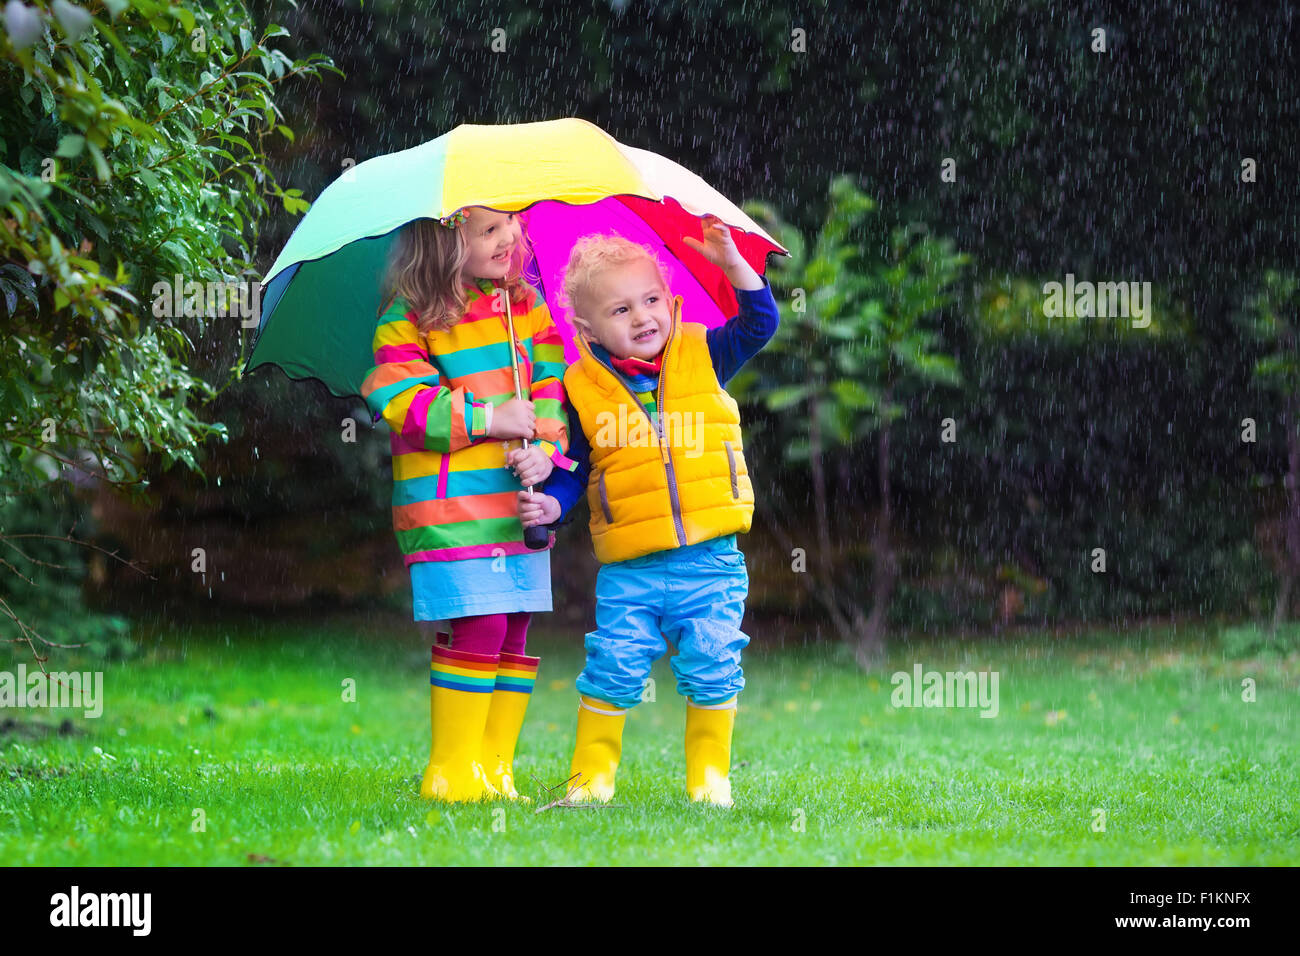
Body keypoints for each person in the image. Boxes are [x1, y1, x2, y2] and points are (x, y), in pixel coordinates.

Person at [517, 217, 779, 806]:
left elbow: (762, 322)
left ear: (670, 299)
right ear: (584, 328)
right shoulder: (579, 389)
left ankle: (710, 781)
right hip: (630, 569)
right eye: (620, 310)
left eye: (651, 299)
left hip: (711, 561)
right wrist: (549, 506)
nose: (642, 318)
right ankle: (591, 780)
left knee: (714, 664)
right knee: (613, 664)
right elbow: (575, 474)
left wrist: (732, 262)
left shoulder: (705, 353)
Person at [362, 207, 577, 802]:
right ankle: (450, 771)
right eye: (489, 230)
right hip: (451, 509)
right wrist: (489, 418)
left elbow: (551, 387)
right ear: (442, 244)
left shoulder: (525, 307)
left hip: (517, 506)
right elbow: (404, 404)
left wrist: (546, 453)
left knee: (514, 625)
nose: (510, 236)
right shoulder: (408, 320)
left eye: (512, 220)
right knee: (479, 621)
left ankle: (493, 768)